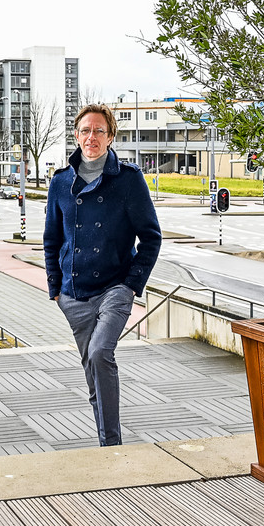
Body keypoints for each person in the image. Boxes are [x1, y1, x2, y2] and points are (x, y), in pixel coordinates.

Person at [43, 103, 161, 447]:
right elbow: (52, 237)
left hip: (114, 288)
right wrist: (56, 288)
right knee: (92, 372)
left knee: (99, 354)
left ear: (110, 137)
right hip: (74, 293)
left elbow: (151, 236)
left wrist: (131, 285)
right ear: (76, 135)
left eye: (98, 131)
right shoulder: (61, 181)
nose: (90, 137)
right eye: (84, 130)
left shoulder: (128, 179)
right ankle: (107, 443)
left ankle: (112, 445)